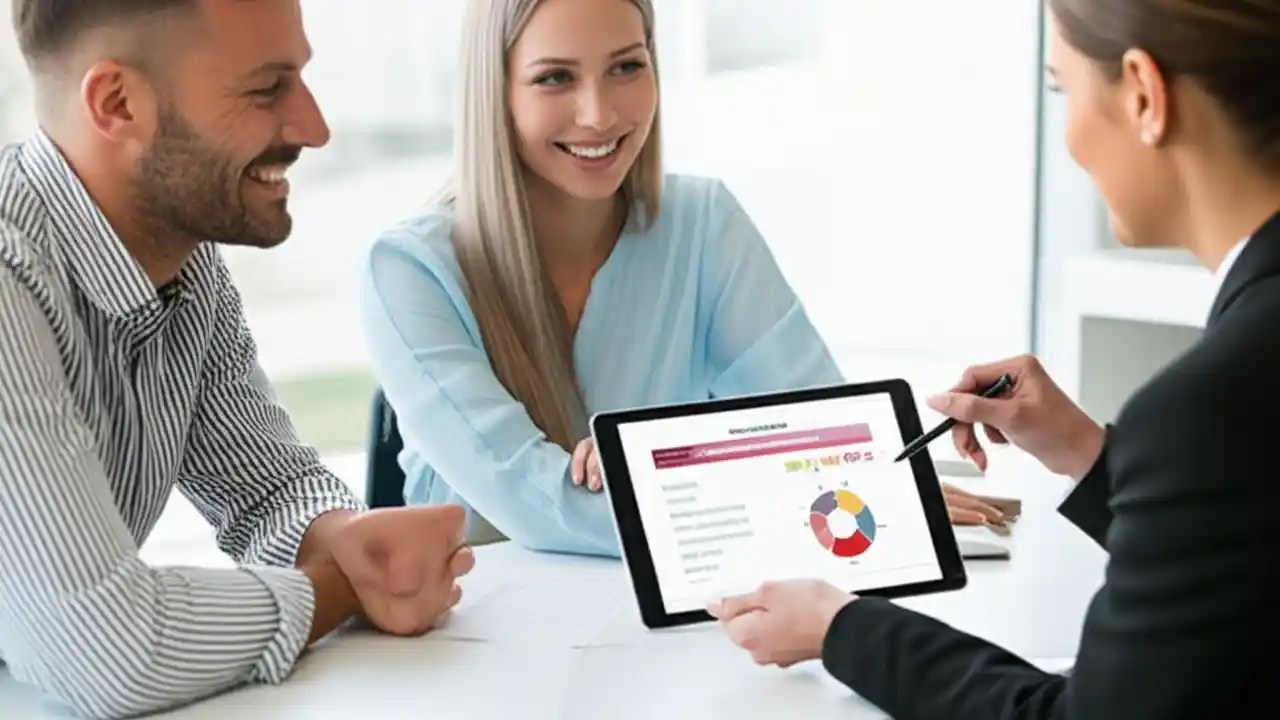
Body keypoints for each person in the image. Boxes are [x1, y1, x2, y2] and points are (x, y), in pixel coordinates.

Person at [708, 0, 1280, 717]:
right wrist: (1091, 455)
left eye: (1060, 89)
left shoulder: (1210, 406)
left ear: (1142, 94)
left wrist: (842, 629)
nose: (1067, 134)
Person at [359, 0, 1007, 555]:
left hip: (672, 628)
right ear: (495, 91)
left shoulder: (702, 223)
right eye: (555, 77)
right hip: (474, 648)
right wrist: (773, 502)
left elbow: (821, 434)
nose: (599, 114)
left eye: (626, 67)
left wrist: (858, 483)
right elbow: (531, 500)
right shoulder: (408, 270)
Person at [0, 1, 474, 717]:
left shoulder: (183, 261)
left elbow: (268, 490)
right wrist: (337, 588)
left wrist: (344, 540)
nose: (315, 128)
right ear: (117, 103)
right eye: (266, 90)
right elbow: (104, 646)